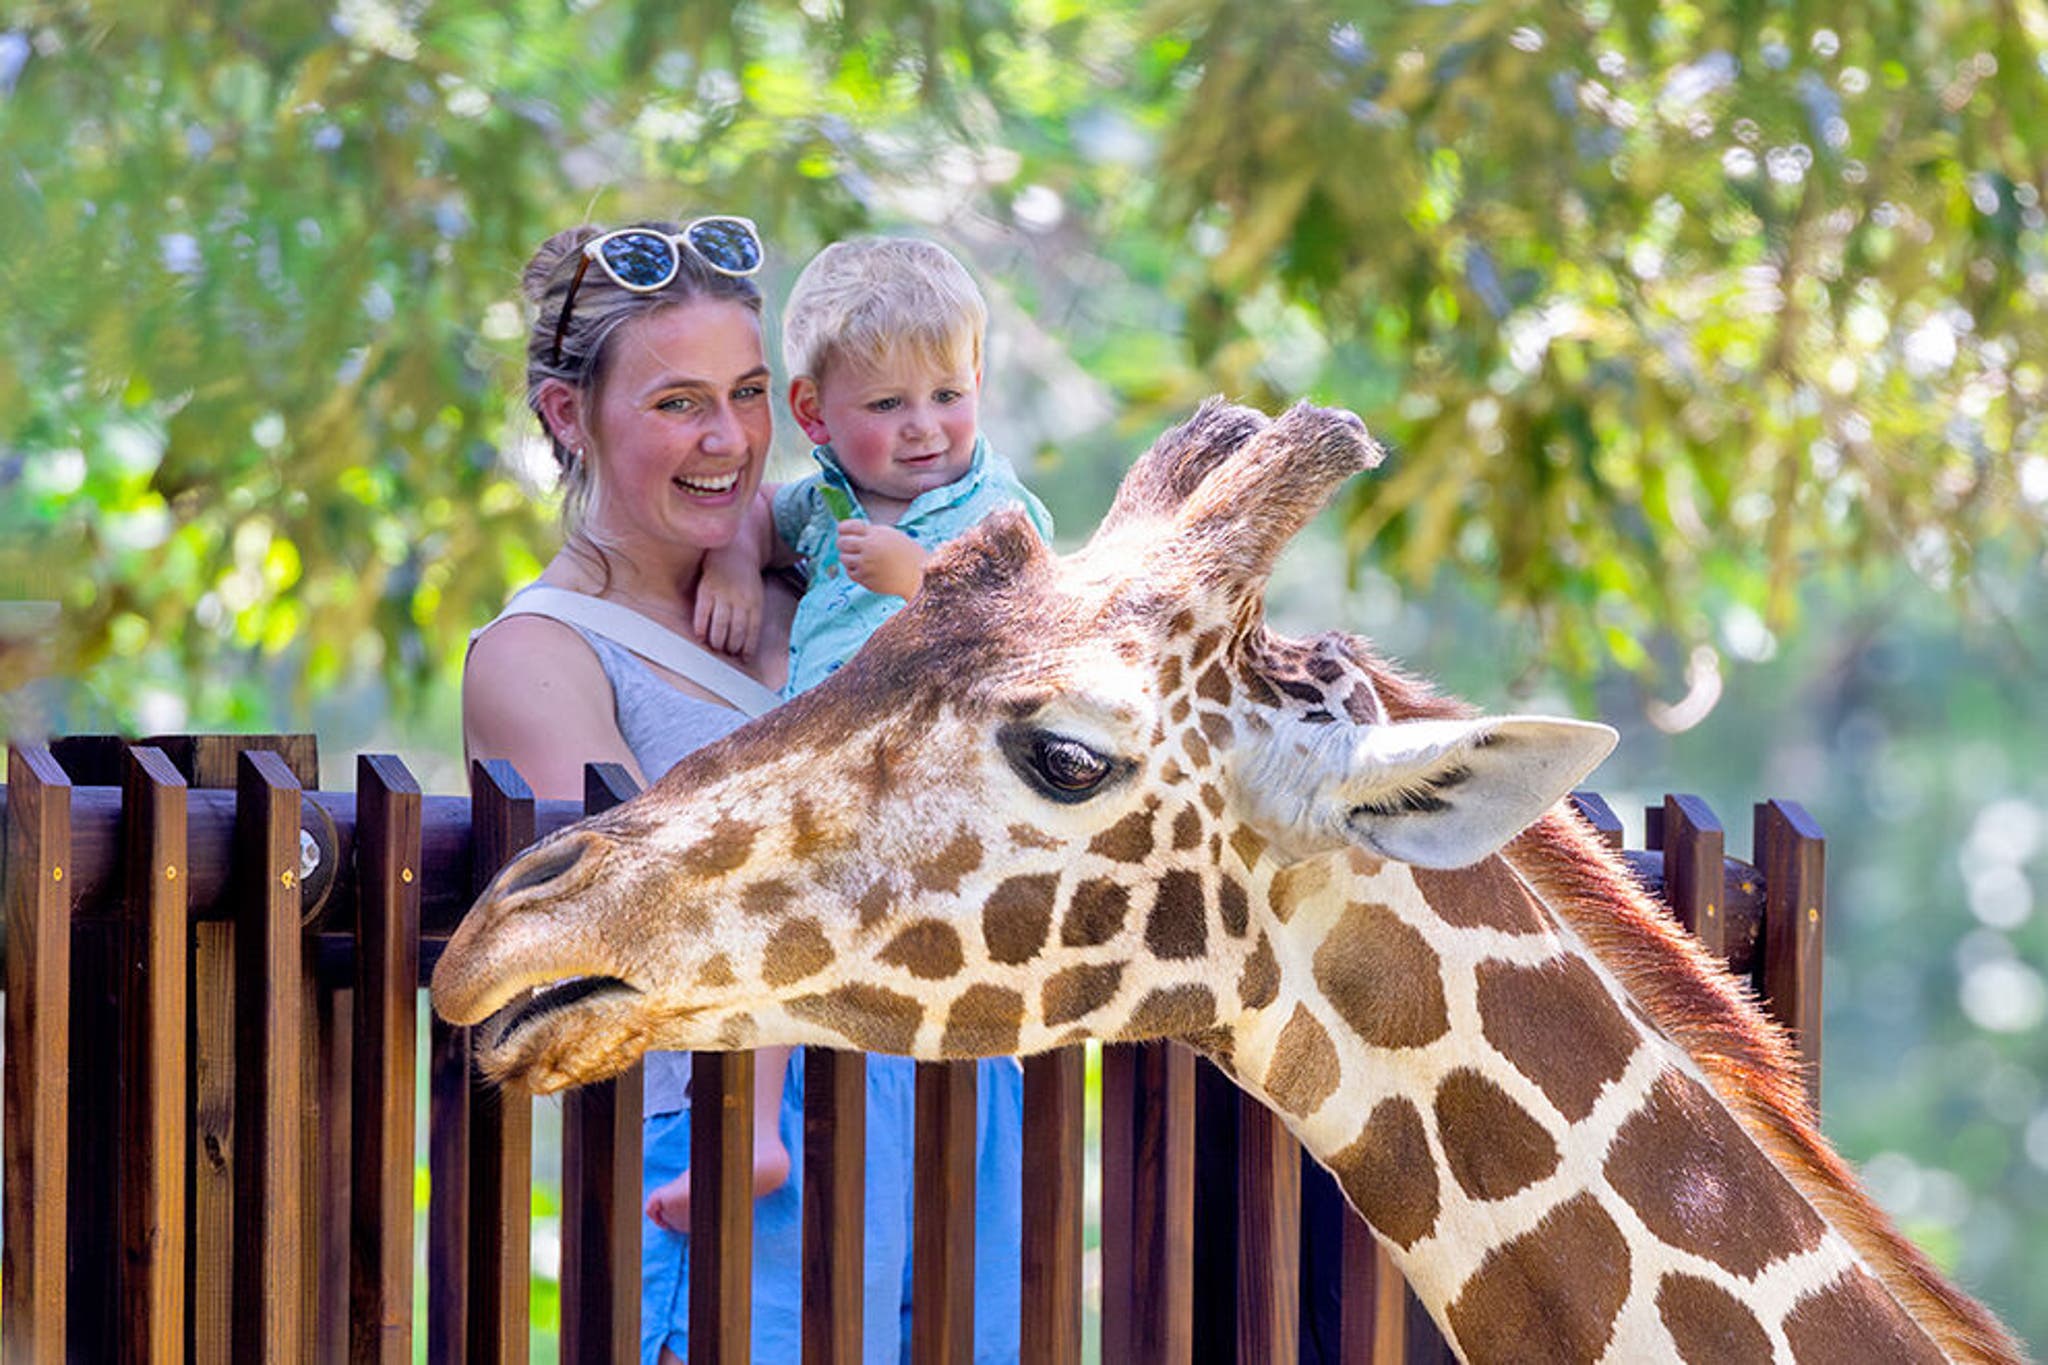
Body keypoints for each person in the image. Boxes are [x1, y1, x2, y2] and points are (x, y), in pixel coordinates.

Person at [654, 233, 1043, 1362]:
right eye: (889, 404)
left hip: (925, 764)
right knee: (771, 907)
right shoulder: (821, 496)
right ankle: (763, 1135)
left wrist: (920, 579)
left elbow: (1034, 612)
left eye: (948, 394)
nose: (925, 428)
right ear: (816, 414)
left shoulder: (991, 507)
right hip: (831, 760)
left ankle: (777, 1136)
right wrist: (734, 566)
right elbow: (759, 526)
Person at [463, 214, 803, 1365]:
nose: (730, 437)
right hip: (715, 1158)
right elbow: (629, 946)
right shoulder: (540, 655)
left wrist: (748, 545)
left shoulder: (823, 586)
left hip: (939, 1138)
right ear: (568, 416)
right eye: (678, 404)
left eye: (750, 393)